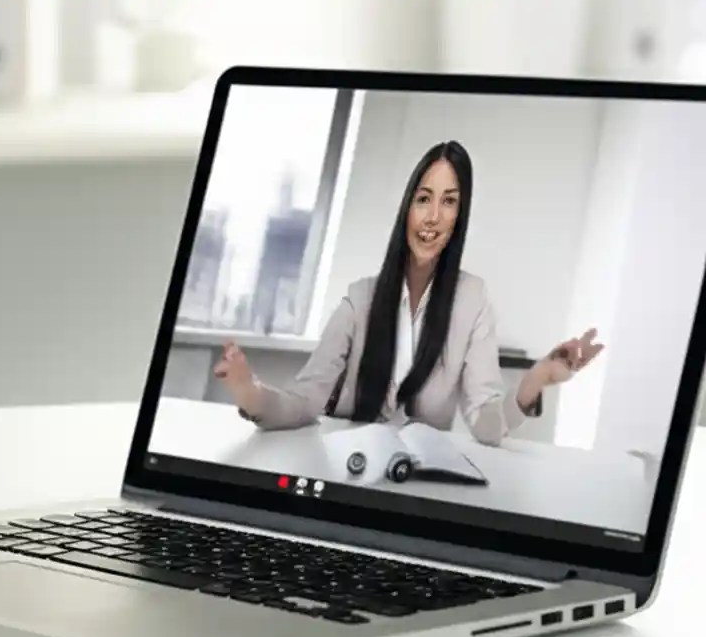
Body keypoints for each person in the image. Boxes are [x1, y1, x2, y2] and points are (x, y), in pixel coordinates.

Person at [212, 139, 603, 446]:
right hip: (343, 474)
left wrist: (537, 378)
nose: (433, 216)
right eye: (424, 199)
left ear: (460, 216)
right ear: (408, 209)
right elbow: (303, 401)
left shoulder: (472, 301)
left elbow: (486, 426)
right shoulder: (360, 300)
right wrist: (250, 392)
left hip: (415, 489)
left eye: (449, 202)